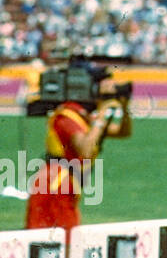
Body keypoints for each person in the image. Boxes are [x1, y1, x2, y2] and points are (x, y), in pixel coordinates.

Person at [25, 91, 127, 242]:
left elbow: (123, 132)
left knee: (64, 236)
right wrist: (100, 120)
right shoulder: (67, 117)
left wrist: (125, 108)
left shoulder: (83, 118)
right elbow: (85, 150)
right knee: (56, 237)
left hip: (67, 183)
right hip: (56, 184)